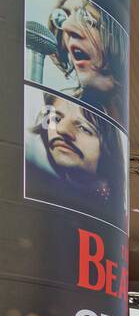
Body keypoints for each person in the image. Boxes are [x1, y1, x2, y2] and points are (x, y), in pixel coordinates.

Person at [26, 91, 125, 228]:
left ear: (109, 149)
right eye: (56, 119)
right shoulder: (38, 183)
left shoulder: (112, 214)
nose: (62, 130)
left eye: (84, 128)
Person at [44, 0, 127, 124]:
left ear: (116, 37)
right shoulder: (59, 108)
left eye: (87, 19)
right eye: (63, 17)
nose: (66, 26)